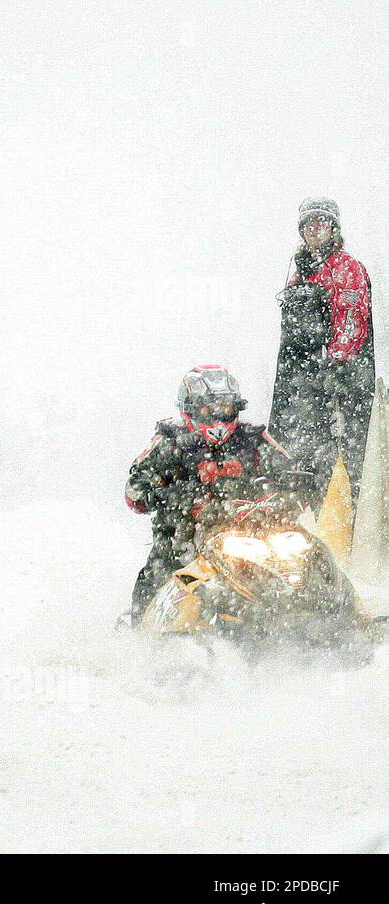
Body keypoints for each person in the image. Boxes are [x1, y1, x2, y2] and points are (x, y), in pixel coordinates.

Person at [126, 364, 292, 618]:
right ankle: (141, 629)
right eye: (206, 409)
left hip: (254, 530)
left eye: (224, 408)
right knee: (160, 571)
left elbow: (291, 470)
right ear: (190, 410)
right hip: (184, 537)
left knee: (305, 550)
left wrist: (293, 488)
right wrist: (170, 497)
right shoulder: (169, 441)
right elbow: (134, 489)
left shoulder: (253, 437)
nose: (216, 416)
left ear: (236, 408)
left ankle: (343, 610)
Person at [268, 198, 374, 504]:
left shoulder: (346, 267)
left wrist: (336, 362)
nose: (315, 230)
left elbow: (352, 317)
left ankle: (339, 506)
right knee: (297, 446)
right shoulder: (299, 270)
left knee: (334, 448)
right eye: (309, 224)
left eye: (322, 223)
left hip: (334, 377)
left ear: (334, 228)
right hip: (299, 377)